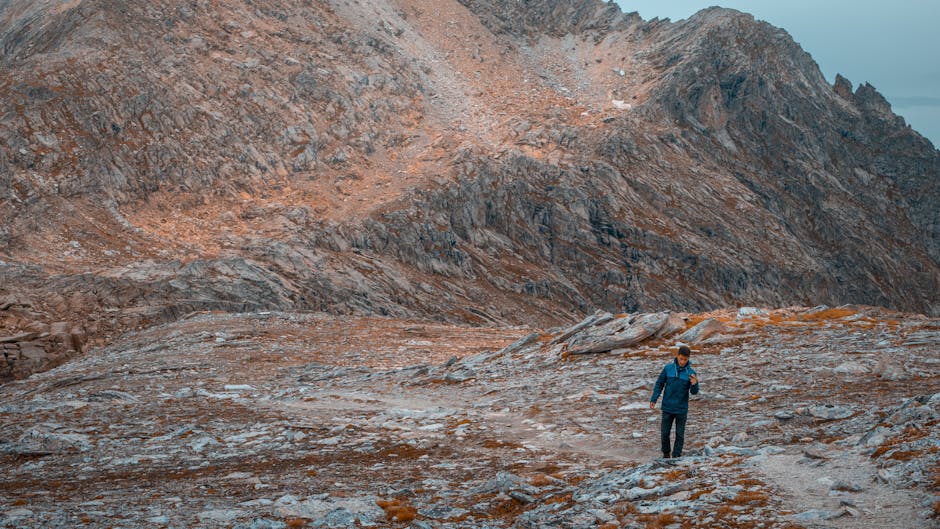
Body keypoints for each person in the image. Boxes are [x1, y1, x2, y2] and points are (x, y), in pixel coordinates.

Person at [650, 345, 699, 458]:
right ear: (677, 356)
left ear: (688, 358)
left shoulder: (691, 373)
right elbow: (659, 384)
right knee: (665, 433)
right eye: (681, 359)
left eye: (685, 359)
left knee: (679, 434)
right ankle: (666, 454)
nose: (682, 362)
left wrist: (694, 384)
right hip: (667, 407)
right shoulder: (668, 369)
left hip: (681, 409)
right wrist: (654, 399)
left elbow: (694, 392)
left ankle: (676, 456)